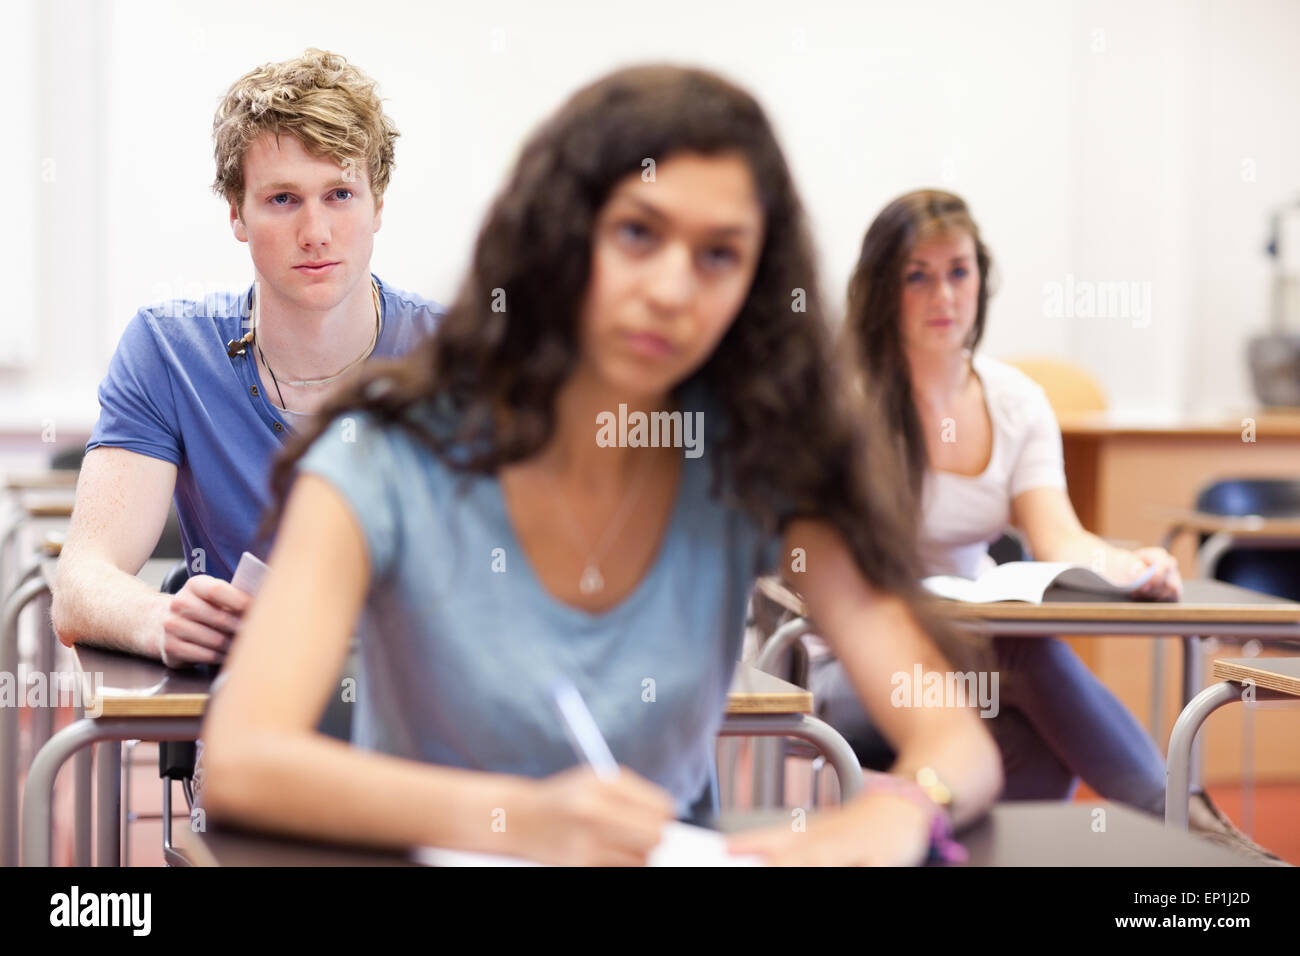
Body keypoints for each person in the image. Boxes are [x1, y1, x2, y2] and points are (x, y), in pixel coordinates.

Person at [200, 66, 1002, 866]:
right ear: (562, 233)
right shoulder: (384, 456)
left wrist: (905, 807)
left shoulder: (750, 454)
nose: (672, 288)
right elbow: (241, 762)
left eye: (720, 255)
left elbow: (954, 739)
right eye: (638, 234)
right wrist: (520, 819)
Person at [52, 49, 442, 667]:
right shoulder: (169, 353)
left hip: (422, 725)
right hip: (249, 722)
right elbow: (79, 586)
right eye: (283, 199)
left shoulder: (454, 359)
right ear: (236, 212)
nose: (315, 232)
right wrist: (160, 617)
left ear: (378, 206)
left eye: (340, 194)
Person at [817, 188, 1182, 814]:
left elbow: (1059, 539)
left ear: (982, 279)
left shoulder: (1015, 401)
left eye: (960, 272)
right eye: (917, 277)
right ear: (882, 288)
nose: (945, 296)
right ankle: (1190, 828)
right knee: (1018, 652)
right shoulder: (843, 403)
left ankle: (1175, 824)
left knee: (1032, 734)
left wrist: (1130, 567)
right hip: (849, 660)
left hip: (979, 652)